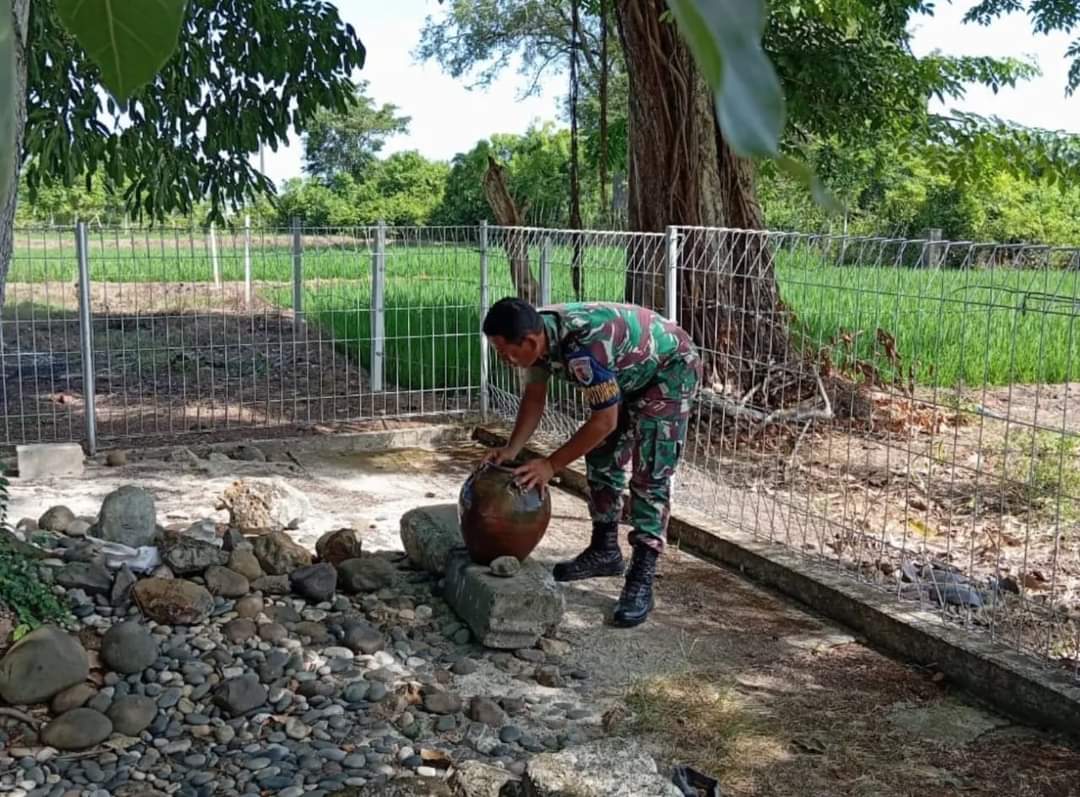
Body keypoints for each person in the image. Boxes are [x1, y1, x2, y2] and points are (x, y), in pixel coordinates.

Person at [481, 297, 702, 627]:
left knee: (649, 474)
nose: (504, 359)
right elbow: (534, 397)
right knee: (601, 456)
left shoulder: (583, 346)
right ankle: (605, 550)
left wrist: (551, 465)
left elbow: (604, 422)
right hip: (627, 372)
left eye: (504, 351)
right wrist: (512, 450)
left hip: (668, 370)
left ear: (527, 341)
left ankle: (642, 576)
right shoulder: (540, 335)